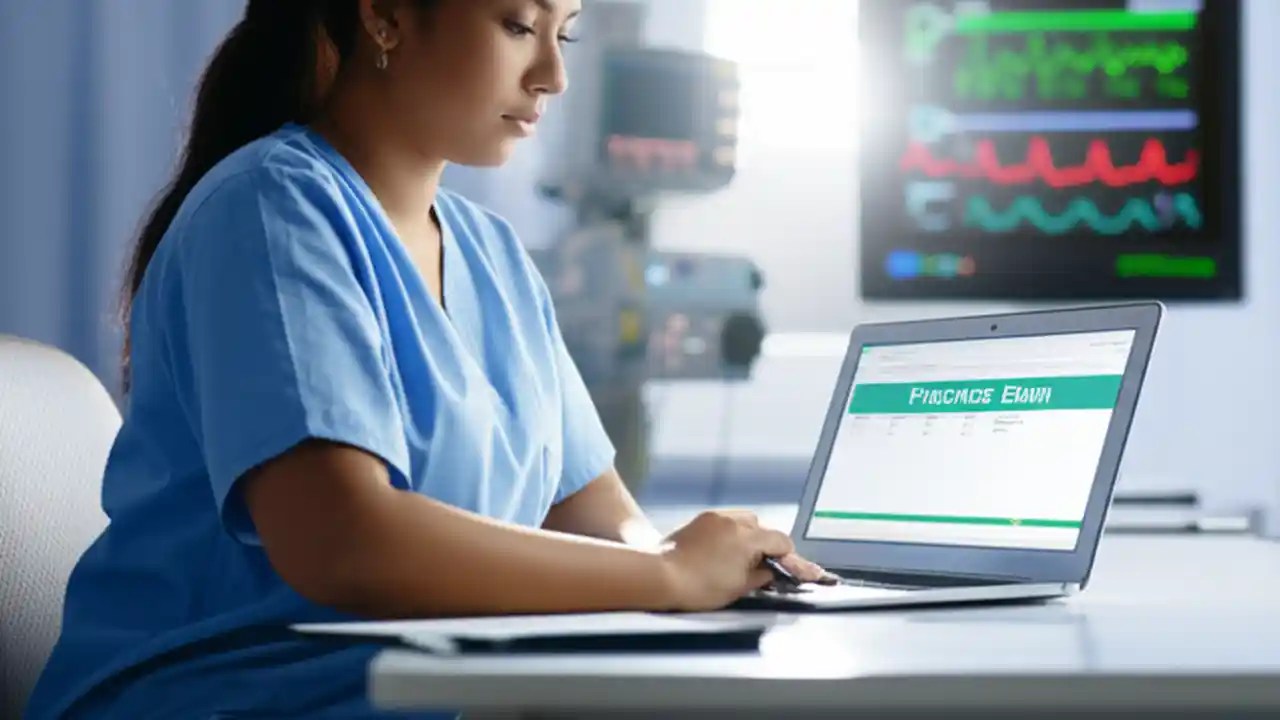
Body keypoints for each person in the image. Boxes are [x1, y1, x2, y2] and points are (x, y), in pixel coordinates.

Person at [26, 1, 833, 718]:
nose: (552, 74)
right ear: (385, 18)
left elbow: (601, 518)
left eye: (567, 33)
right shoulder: (271, 207)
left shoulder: (496, 256)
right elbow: (340, 540)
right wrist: (664, 576)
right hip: (230, 692)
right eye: (520, 26)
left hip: (428, 686)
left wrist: (716, 570)